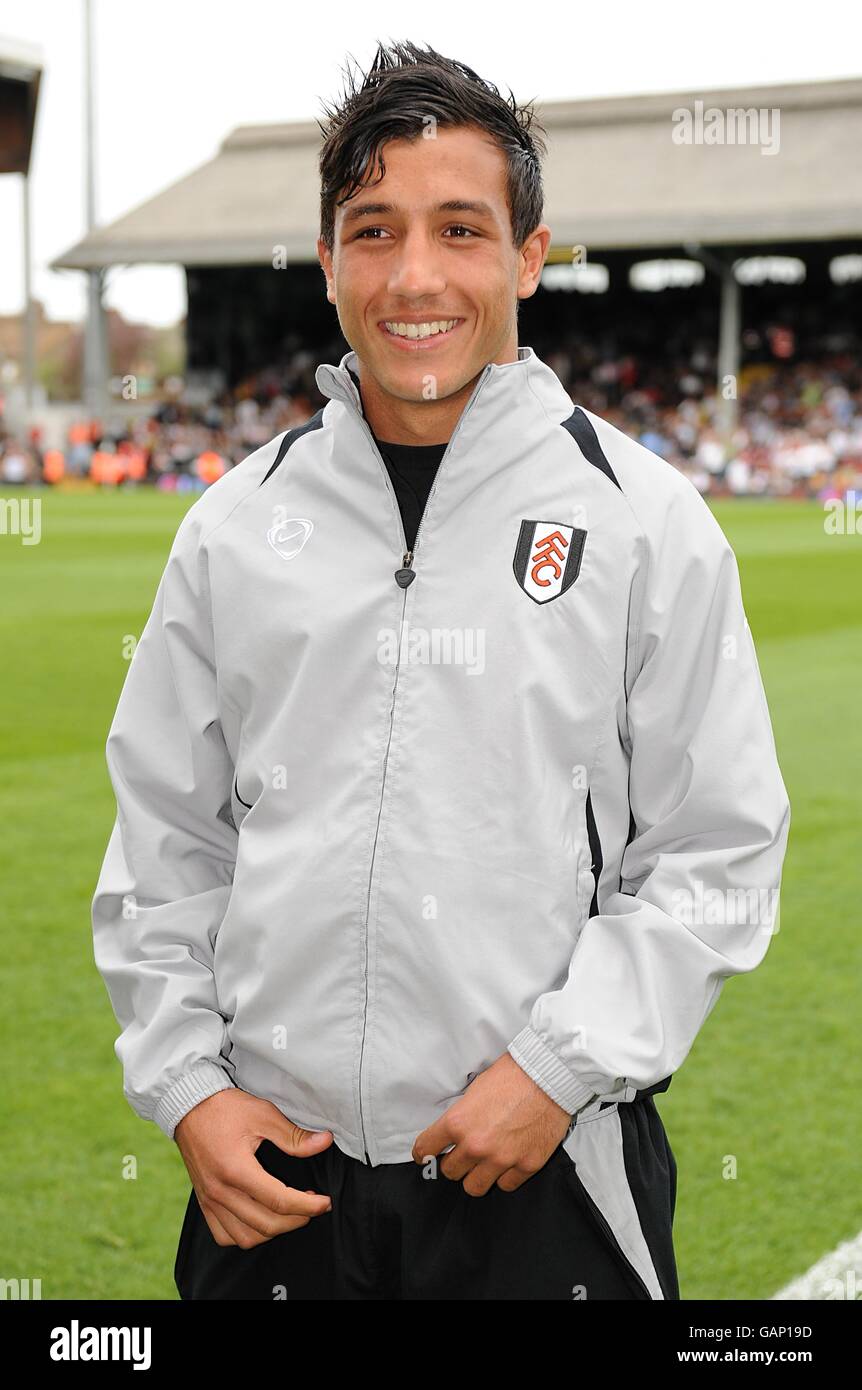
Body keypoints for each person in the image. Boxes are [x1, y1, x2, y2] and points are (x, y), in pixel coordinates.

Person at [91, 40, 791, 1302]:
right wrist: (190, 1087)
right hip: (276, 1187)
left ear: (528, 254)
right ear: (327, 260)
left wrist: (557, 1069)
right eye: (373, 231)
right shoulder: (233, 528)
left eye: (460, 229)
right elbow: (163, 844)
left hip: (544, 1175)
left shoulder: (647, 521)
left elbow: (718, 854)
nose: (414, 277)